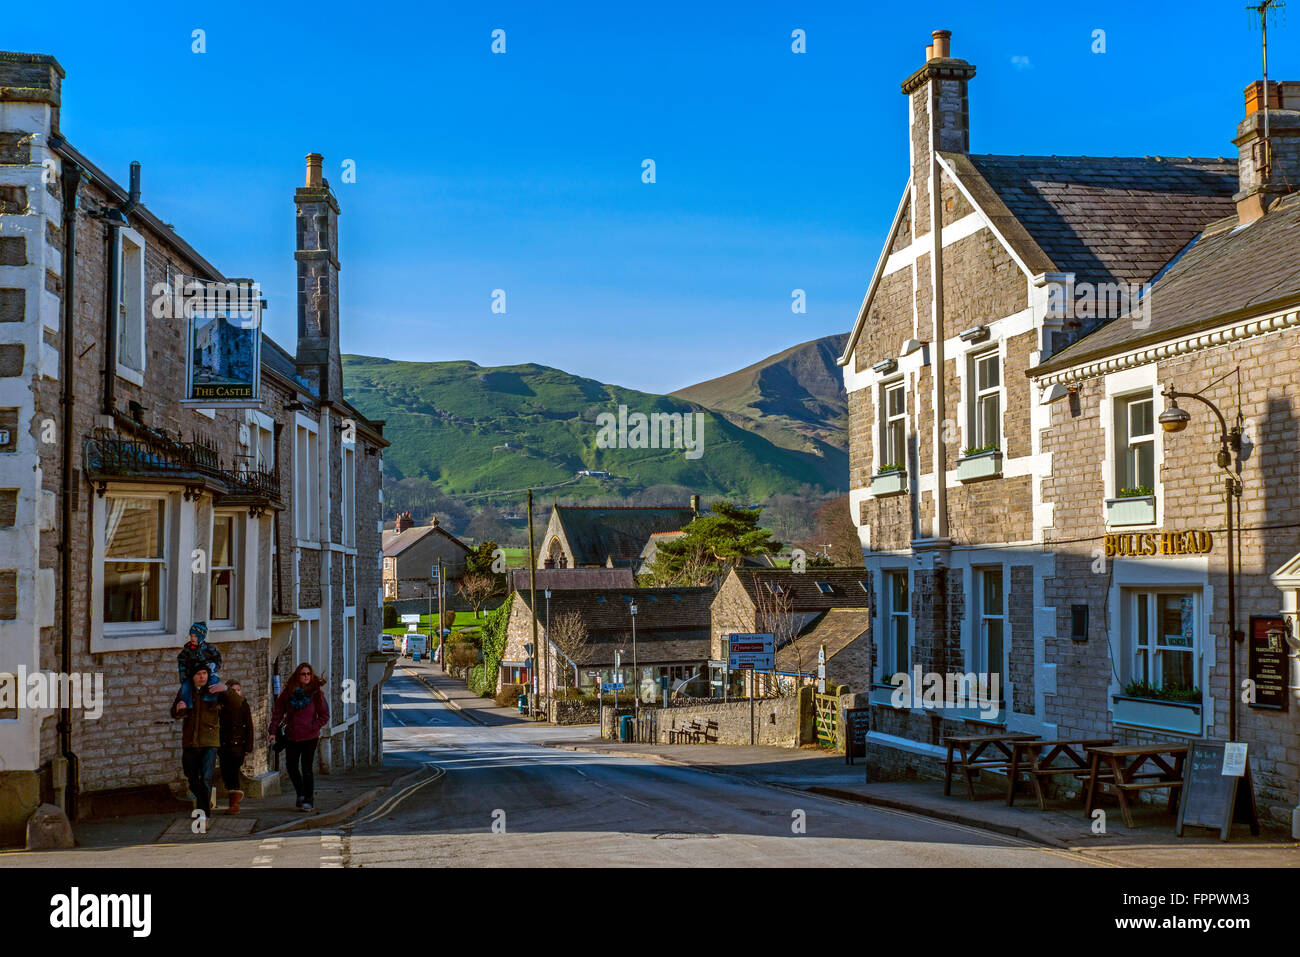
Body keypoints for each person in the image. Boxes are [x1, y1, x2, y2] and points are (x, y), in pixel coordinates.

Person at [269, 662, 329, 812]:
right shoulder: (288, 693)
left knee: (306, 768)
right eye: (303, 674)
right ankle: (300, 793)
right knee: (291, 767)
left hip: (310, 737)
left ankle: (308, 799)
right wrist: (272, 732)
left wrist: (313, 727)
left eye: (309, 674)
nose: (306, 677)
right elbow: (277, 713)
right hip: (292, 736)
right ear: (298, 676)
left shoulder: (316, 693)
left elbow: (324, 715)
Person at [170, 665, 223, 813]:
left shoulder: (214, 690)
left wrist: (226, 689)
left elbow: (235, 703)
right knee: (192, 777)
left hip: (210, 741)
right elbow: (175, 713)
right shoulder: (185, 691)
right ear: (193, 677)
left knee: (206, 777)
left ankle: (203, 812)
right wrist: (178, 709)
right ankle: (203, 802)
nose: (202, 677)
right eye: (198, 674)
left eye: (204, 673)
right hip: (190, 741)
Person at [218, 678, 254, 815]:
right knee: (226, 773)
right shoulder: (222, 706)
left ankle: (234, 803)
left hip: (238, 745)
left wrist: (248, 747)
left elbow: (249, 726)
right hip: (224, 745)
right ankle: (234, 798)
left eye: (239, 690)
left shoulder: (243, 705)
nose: (237, 693)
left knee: (233, 772)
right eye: (234, 690)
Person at [176, 622, 225, 712]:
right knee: (186, 686)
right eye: (191, 636)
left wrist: (215, 667)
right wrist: (183, 675)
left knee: (213, 681)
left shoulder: (209, 648)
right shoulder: (187, 649)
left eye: (195, 636)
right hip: (192, 673)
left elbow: (217, 658)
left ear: (201, 637)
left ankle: (211, 701)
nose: (192, 638)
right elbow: (181, 662)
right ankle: (187, 706)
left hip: (208, 672)